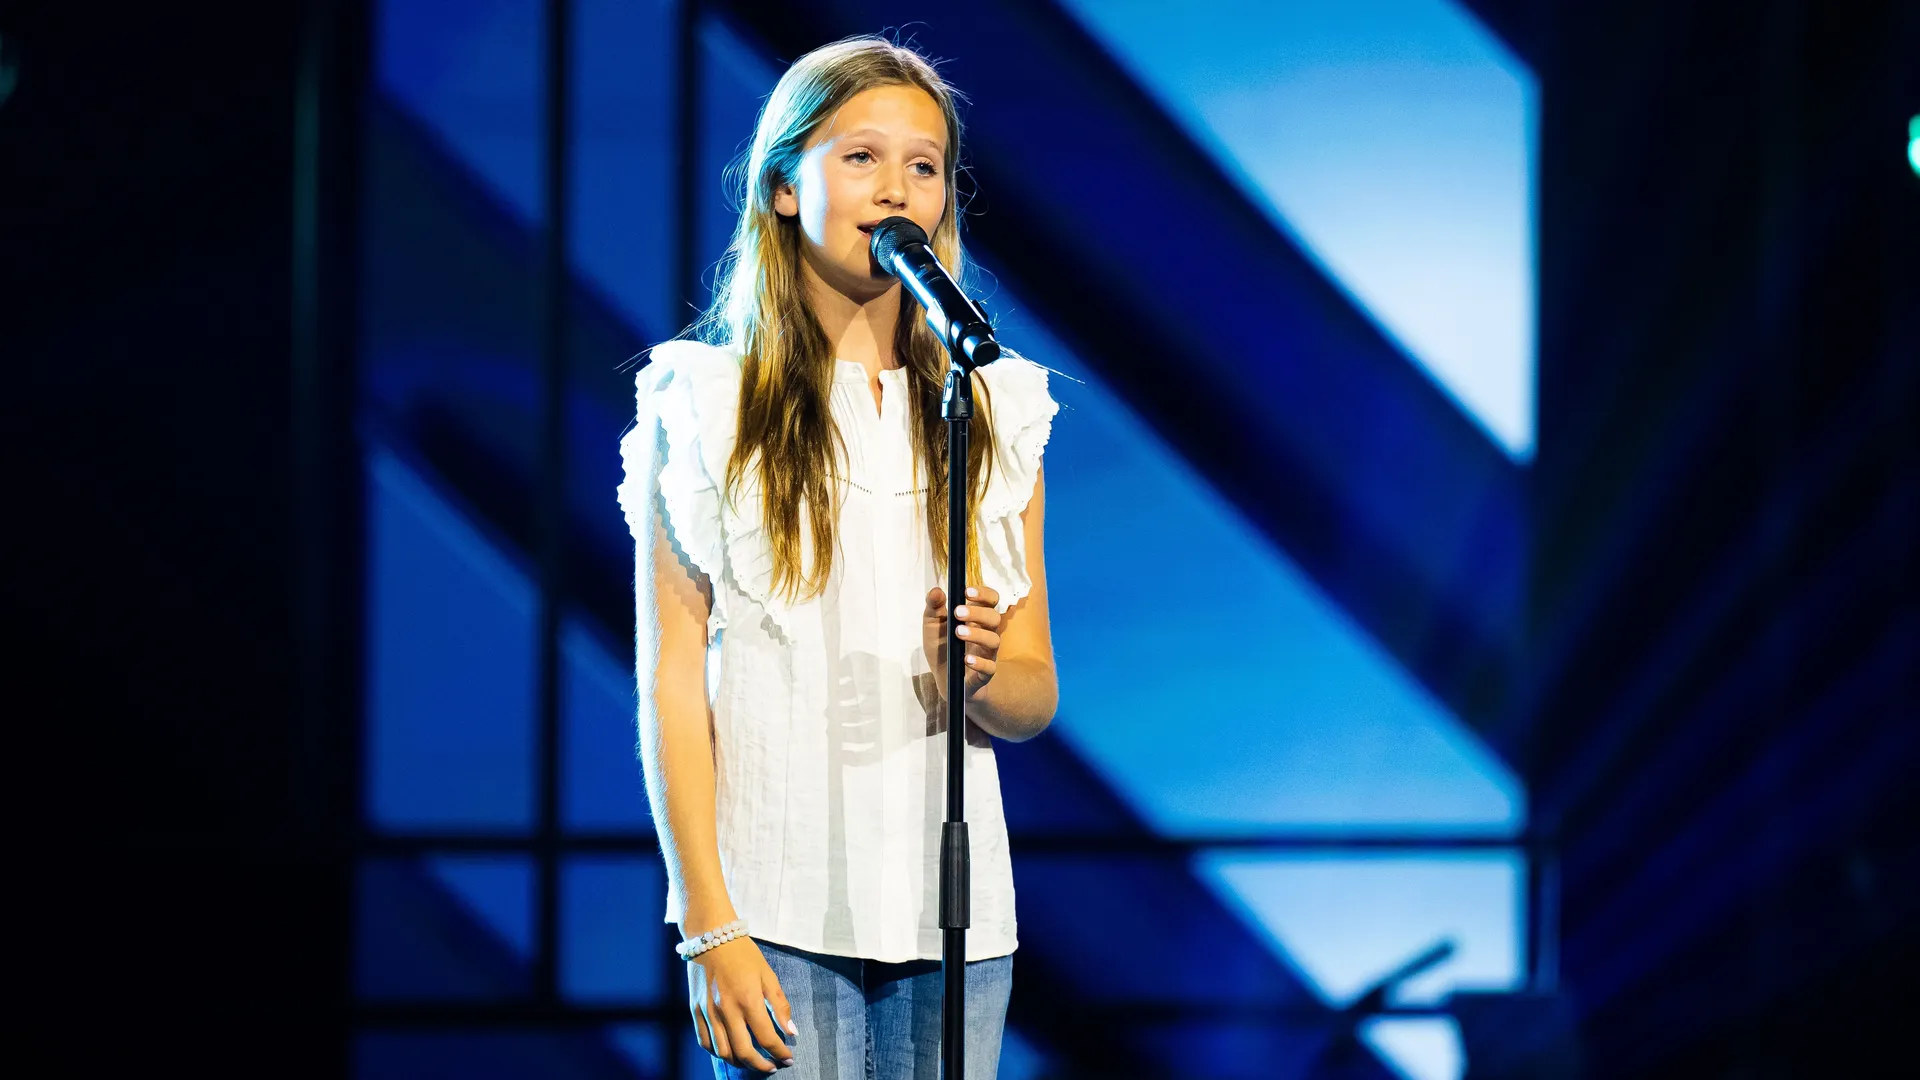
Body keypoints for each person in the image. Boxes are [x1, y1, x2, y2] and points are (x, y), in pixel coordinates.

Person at [616, 35, 1061, 1080]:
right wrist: (708, 923)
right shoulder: (706, 404)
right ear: (782, 187)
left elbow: (1034, 695)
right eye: (860, 157)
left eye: (924, 165)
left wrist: (984, 674)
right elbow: (674, 681)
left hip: (952, 923)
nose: (897, 187)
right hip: (776, 905)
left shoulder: (995, 404)